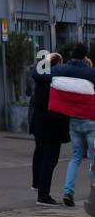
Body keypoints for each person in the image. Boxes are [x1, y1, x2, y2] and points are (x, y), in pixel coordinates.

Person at [47, 45, 95, 208]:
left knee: (75, 157)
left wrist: (48, 59)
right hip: (91, 121)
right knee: (93, 157)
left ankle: (68, 192)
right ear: (85, 56)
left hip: (74, 120)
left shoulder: (60, 69)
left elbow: (43, 73)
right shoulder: (90, 73)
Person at [29, 52, 68, 206]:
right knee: (50, 158)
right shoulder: (59, 81)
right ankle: (43, 195)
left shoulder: (40, 78)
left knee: (40, 152)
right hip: (54, 123)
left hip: (39, 122)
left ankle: (36, 184)